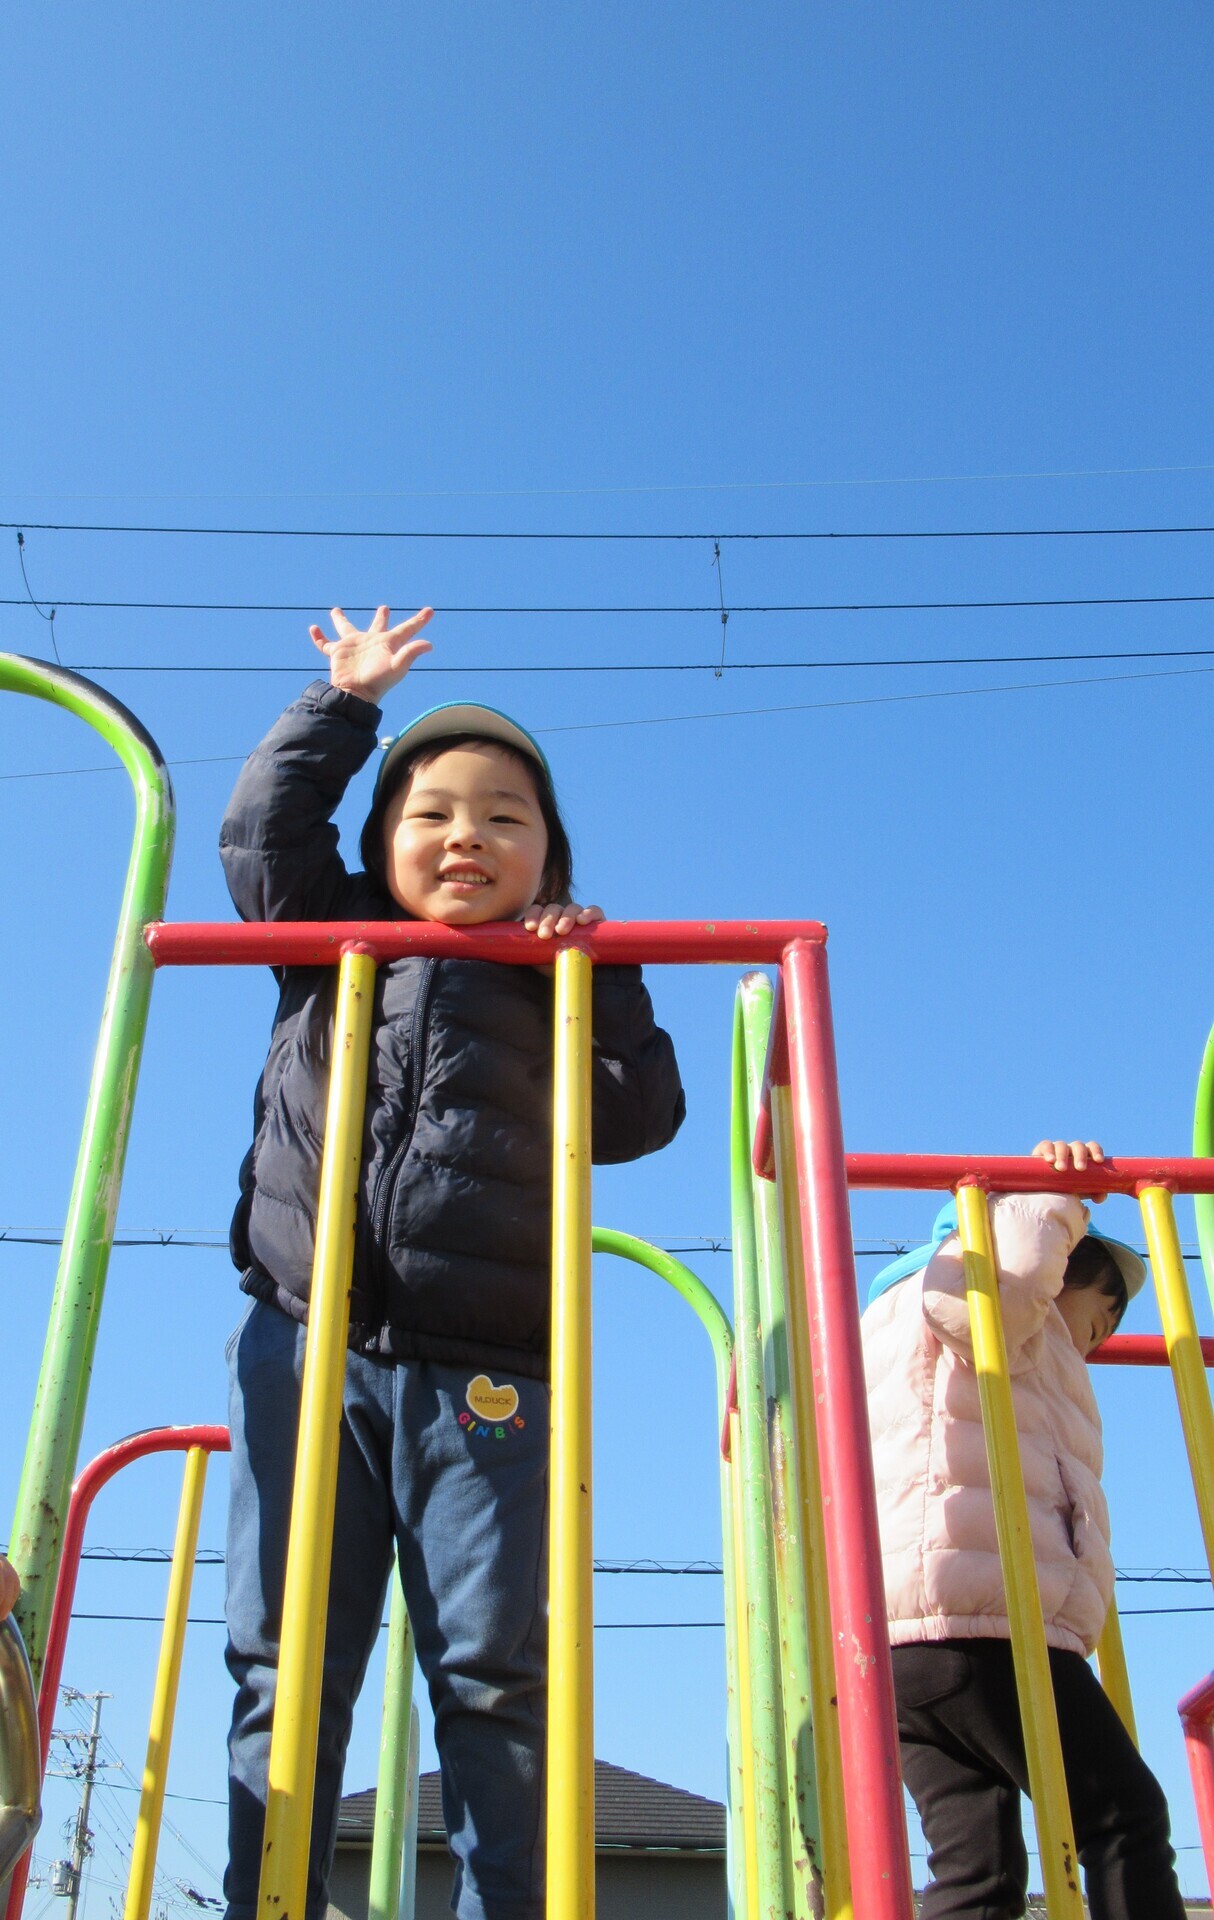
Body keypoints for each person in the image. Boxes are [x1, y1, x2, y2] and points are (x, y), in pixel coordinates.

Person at [220, 605, 686, 1920]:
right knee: (283, 1663)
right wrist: (342, 706)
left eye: (503, 820)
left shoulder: (557, 978)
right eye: (431, 815)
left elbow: (636, 1120)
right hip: (303, 1342)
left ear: (549, 861)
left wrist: (604, 973)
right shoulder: (332, 936)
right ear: (381, 843)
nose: (465, 839)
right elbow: (259, 841)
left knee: (495, 1676)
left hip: (491, 1376)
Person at [861, 1138, 1186, 1920]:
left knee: (977, 1871)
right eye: (1102, 1306)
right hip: (981, 1625)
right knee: (1122, 1815)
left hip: (913, 1644)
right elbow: (995, 1279)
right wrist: (1051, 1194)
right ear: (1055, 1267)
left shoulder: (922, 1330)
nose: (1103, 1332)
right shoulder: (967, 1292)